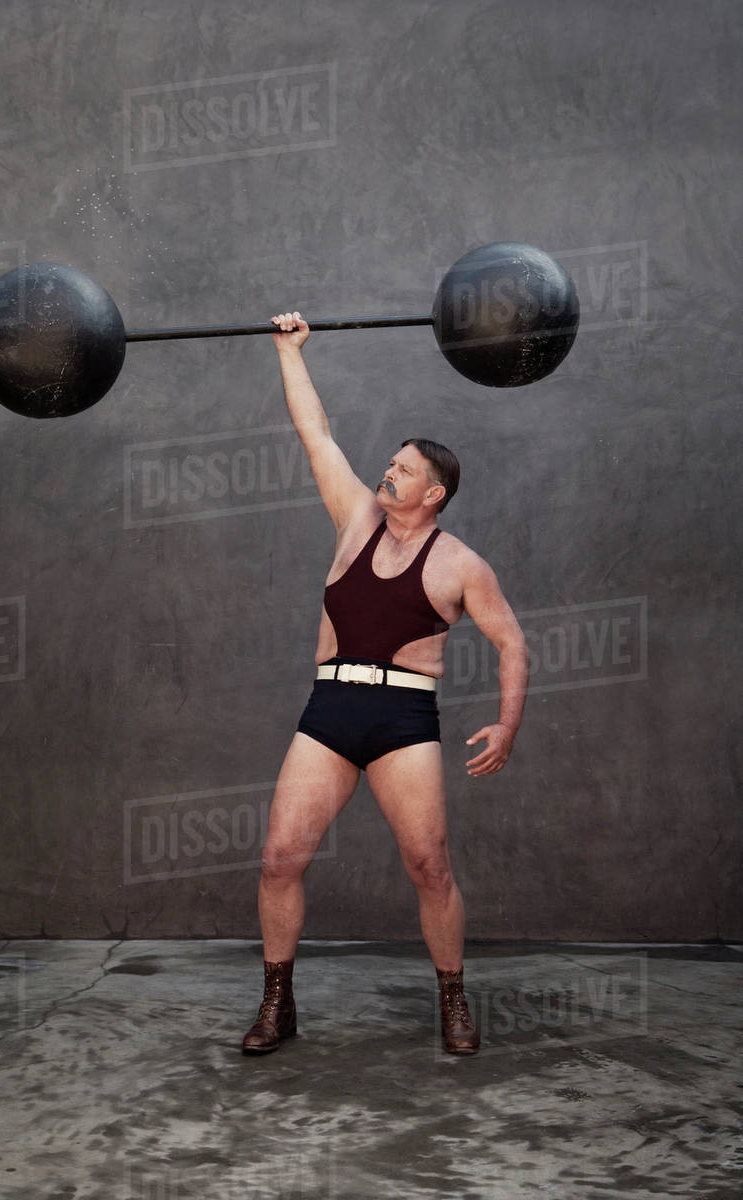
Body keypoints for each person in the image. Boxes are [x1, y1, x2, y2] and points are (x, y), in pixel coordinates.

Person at [242, 311, 529, 1055]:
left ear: (433, 493)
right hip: (331, 707)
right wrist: (289, 352)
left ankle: (453, 1000)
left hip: (404, 718)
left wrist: (506, 724)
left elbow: (512, 644)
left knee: (430, 867)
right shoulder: (355, 518)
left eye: (403, 469)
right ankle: (279, 1001)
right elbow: (317, 434)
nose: (388, 471)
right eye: (392, 462)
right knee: (280, 859)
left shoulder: (461, 563)